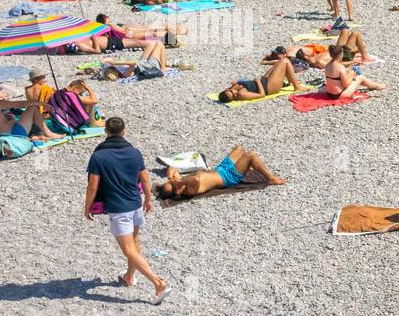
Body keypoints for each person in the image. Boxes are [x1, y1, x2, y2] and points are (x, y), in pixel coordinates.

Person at [84, 117, 169, 304]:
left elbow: (93, 186)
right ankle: (129, 277)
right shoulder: (134, 153)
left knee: (129, 250)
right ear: (124, 131)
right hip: (135, 204)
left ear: (106, 131)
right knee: (135, 244)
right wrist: (147, 199)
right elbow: (145, 180)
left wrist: (87, 206)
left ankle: (158, 283)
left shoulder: (98, 156)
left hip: (118, 208)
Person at [159, 146, 285, 199]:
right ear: (177, 191)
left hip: (220, 169)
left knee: (239, 149)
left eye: (170, 181)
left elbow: (172, 168)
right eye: (172, 184)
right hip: (228, 177)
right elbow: (196, 180)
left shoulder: (181, 183)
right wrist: (178, 181)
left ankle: (246, 167)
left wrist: (171, 175)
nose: (172, 181)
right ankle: (271, 178)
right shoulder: (190, 188)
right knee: (251, 156)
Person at [218, 56, 304, 103]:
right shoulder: (242, 94)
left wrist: (236, 84)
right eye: (233, 96)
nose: (235, 93)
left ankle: (292, 82)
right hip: (269, 88)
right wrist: (258, 82)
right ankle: (296, 87)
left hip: (265, 81)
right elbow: (261, 95)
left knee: (279, 63)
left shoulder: (235, 87)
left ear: (227, 89)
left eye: (232, 92)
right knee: (285, 61)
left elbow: (243, 85)